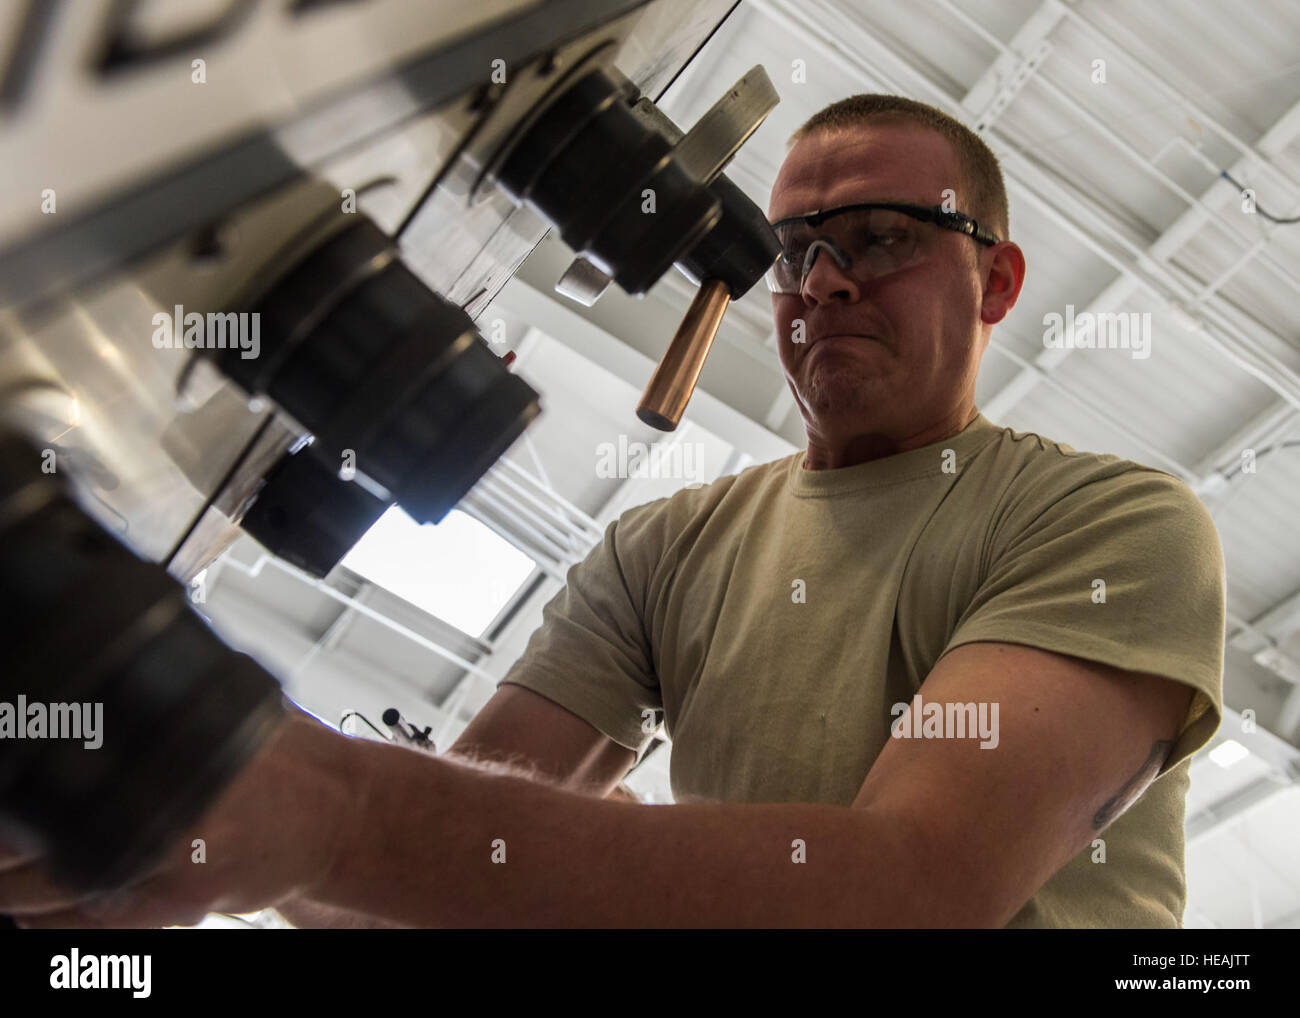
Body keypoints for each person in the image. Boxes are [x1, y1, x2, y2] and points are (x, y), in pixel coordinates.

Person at [0, 94, 1225, 928]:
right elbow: (439, 872)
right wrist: (172, 789)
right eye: (794, 248)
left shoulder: (1111, 524)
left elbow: (913, 890)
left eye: (887, 236)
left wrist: (329, 804)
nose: (825, 280)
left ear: (997, 278)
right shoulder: (662, 546)